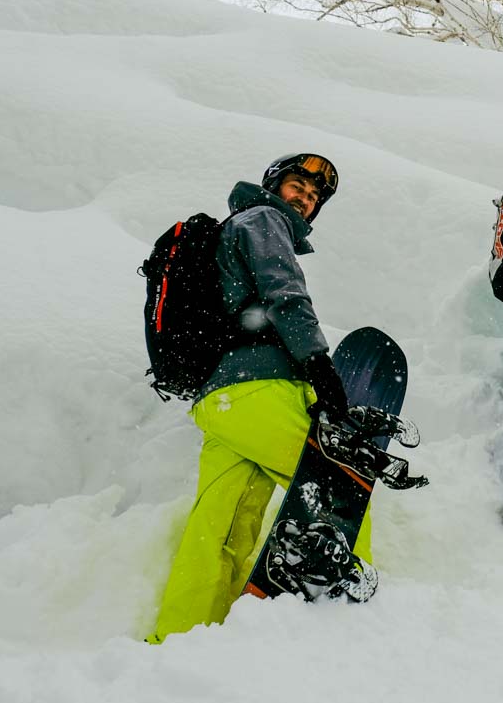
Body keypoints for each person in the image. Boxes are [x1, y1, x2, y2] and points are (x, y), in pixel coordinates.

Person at [150, 152, 356, 643]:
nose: (304, 200)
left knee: (218, 530)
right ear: (273, 185)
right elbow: (284, 292)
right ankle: (353, 624)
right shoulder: (264, 218)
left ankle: (178, 640)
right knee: (345, 490)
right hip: (260, 387)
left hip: (222, 402)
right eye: (297, 188)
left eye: (313, 198)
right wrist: (318, 364)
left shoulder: (236, 226)